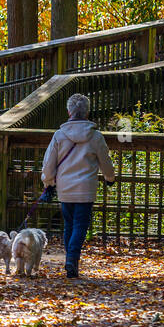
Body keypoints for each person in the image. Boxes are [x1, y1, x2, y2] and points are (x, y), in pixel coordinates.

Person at [41, 93, 117, 278]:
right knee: (81, 225)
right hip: (86, 188)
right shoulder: (96, 137)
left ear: (69, 112)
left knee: (68, 225)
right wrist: (110, 178)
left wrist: (48, 181)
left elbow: (49, 162)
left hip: (65, 188)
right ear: (87, 112)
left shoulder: (59, 135)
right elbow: (105, 160)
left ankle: (70, 259)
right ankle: (72, 259)